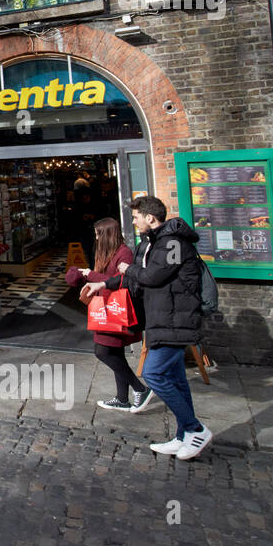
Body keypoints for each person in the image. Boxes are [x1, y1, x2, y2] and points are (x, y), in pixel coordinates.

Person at [85, 195, 211, 460]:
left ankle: (195, 429)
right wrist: (105, 284)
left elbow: (153, 276)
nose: (133, 221)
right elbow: (138, 280)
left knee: (154, 375)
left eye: (136, 216)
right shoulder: (155, 242)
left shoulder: (173, 243)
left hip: (175, 320)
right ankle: (183, 436)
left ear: (150, 217)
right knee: (176, 379)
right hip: (162, 318)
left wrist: (127, 268)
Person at [68, 217, 151, 412]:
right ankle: (122, 399)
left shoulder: (124, 253)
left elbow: (123, 280)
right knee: (115, 353)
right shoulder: (106, 252)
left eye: (98, 234)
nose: (96, 238)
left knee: (102, 351)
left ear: (107, 234)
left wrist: (91, 274)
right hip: (105, 309)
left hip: (116, 310)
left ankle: (140, 389)